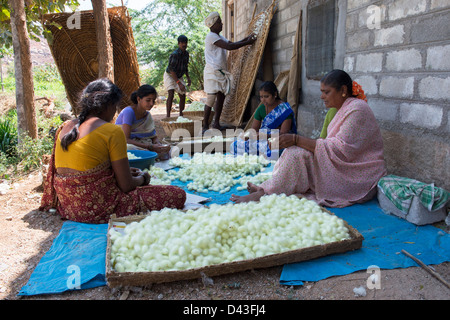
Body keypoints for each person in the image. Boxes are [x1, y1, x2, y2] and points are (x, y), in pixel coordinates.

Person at [230, 69, 387, 208]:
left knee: (296, 154)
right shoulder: (342, 109)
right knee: (294, 152)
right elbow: (327, 143)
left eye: (326, 92)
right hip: (337, 163)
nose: (322, 96)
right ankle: (268, 188)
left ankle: (263, 193)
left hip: (355, 174)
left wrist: (297, 140)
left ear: (343, 90)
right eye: (322, 92)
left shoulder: (357, 109)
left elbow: (341, 150)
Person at [40, 78, 186, 224]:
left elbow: (85, 165)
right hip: (98, 207)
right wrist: (143, 179)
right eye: (115, 106)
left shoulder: (64, 127)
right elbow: (126, 186)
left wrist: (124, 172)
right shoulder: (112, 131)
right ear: (109, 105)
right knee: (177, 194)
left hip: (68, 206)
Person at [202, 11, 256, 132]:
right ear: (213, 24)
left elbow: (230, 43)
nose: (222, 24)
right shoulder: (211, 36)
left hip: (220, 71)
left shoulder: (219, 36)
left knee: (221, 96)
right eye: (219, 22)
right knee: (211, 98)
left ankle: (216, 123)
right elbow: (229, 47)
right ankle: (205, 125)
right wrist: (247, 42)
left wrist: (247, 39)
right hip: (212, 72)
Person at [230, 81, 297, 158]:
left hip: (279, 141)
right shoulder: (261, 109)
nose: (263, 100)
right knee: (234, 145)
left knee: (274, 151)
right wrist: (248, 136)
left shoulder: (285, 110)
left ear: (275, 94)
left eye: (266, 96)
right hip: (262, 140)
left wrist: (266, 135)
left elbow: (284, 133)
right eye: (261, 97)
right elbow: (254, 130)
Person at [115, 84, 170, 155]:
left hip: (144, 145)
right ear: (138, 99)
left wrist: (157, 144)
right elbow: (125, 139)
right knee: (129, 148)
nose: (151, 104)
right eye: (148, 100)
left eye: (153, 101)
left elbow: (153, 137)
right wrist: (149, 146)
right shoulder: (129, 112)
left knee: (168, 150)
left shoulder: (147, 115)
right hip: (128, 145)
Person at [164, 35, 191, 118]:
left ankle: (181, 115)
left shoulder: (186, 54)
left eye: (185, 43)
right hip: (170, 75)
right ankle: (168, 116)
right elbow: (172, 70)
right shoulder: (175, 54)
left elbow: (185, 66)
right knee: (171, 93)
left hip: (179, 75)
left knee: (183, 95)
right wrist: (179, 83)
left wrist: (188, 77)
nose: (184, 45)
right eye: (182, 43)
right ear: (179, 43)